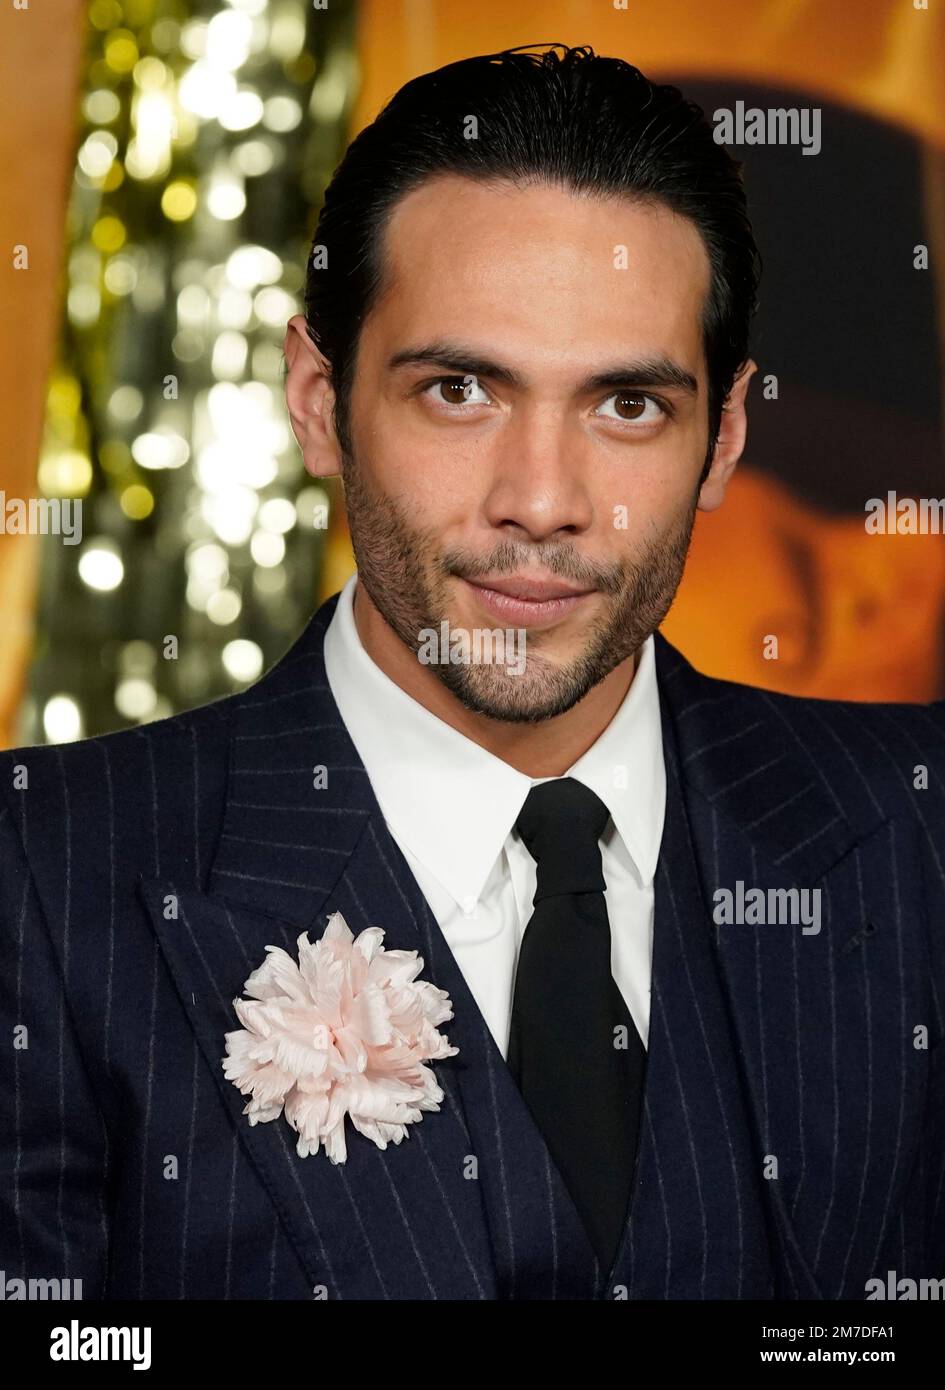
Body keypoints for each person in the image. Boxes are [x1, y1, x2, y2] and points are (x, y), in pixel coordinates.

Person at [1, 44, 943, 1302]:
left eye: (627, 407)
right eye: (459, 389)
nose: (541, 503)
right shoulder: (44, 877)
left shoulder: (919, 832)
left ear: (722, 439)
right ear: (320, 402)